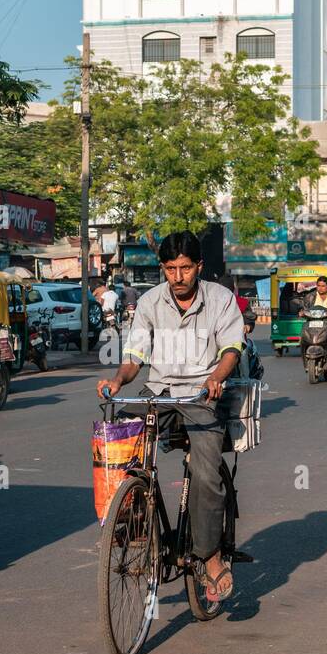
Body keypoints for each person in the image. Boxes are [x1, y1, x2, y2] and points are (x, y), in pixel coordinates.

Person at [97, 231, 245, 603]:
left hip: (201, 395)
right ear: (163, 269)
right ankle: (129, 520)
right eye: (170, 269)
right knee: (115, 436)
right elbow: (135, 356)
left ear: (198, 267)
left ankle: (209, 555)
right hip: (159, 393)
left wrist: (216, 378)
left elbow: (231, 349)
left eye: (185, 268)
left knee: (206, 474)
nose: (178, 276)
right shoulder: (149, 302)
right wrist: (117, 380)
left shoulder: (220, 299)